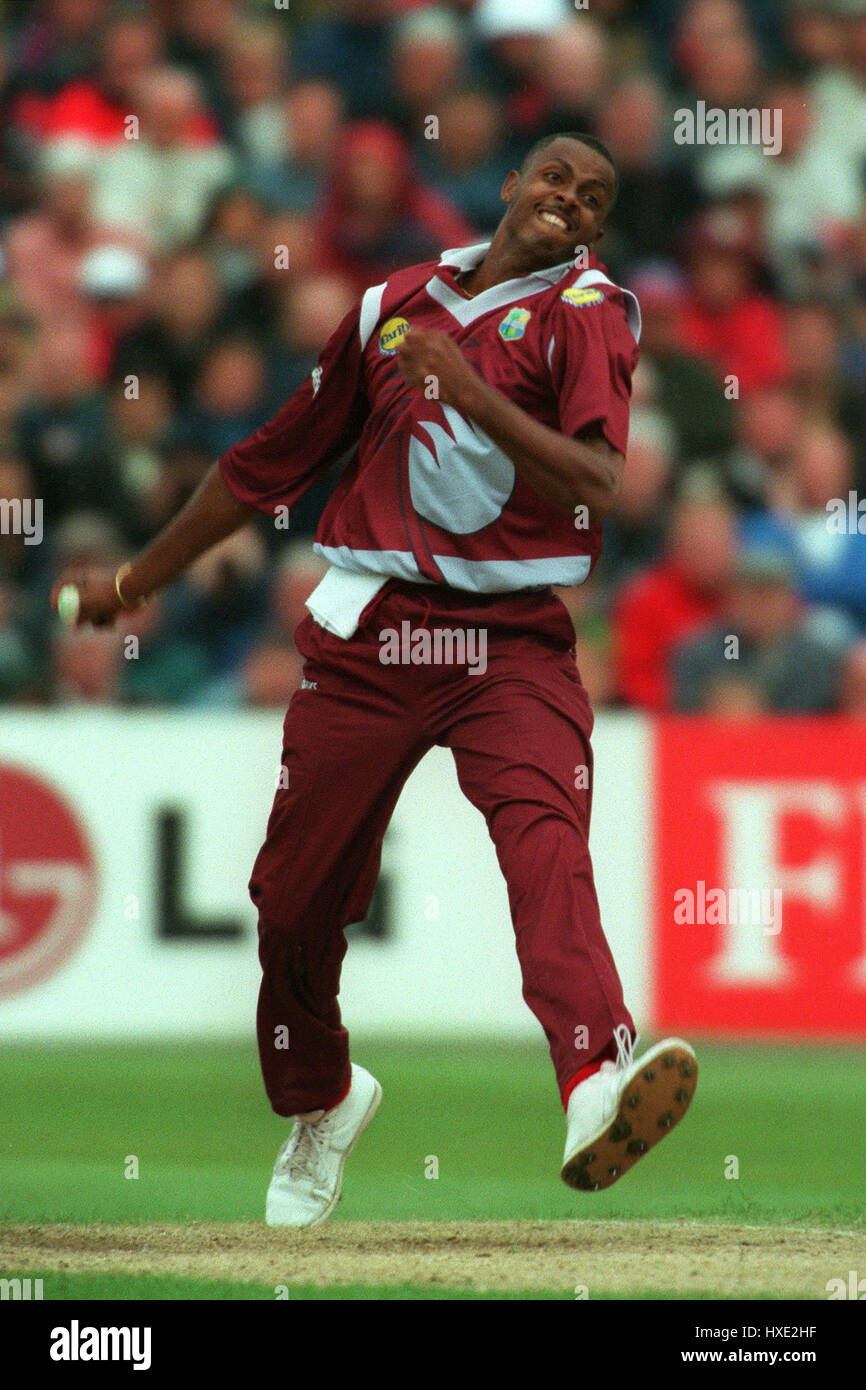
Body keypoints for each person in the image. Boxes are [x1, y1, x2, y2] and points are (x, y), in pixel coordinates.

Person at [52, 132, 697, 1227]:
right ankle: (323, 1099)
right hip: (374, 635)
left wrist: (467, 390)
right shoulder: (392, 303)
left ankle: (594, 1073)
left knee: (542, 835)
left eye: (593, 196)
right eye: (553, 177)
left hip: (510, 640)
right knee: (292, 903)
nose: (569, 200)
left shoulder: (589, 314)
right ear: (506, 182)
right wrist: (133, 578)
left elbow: (600, 478)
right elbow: (268, 462)